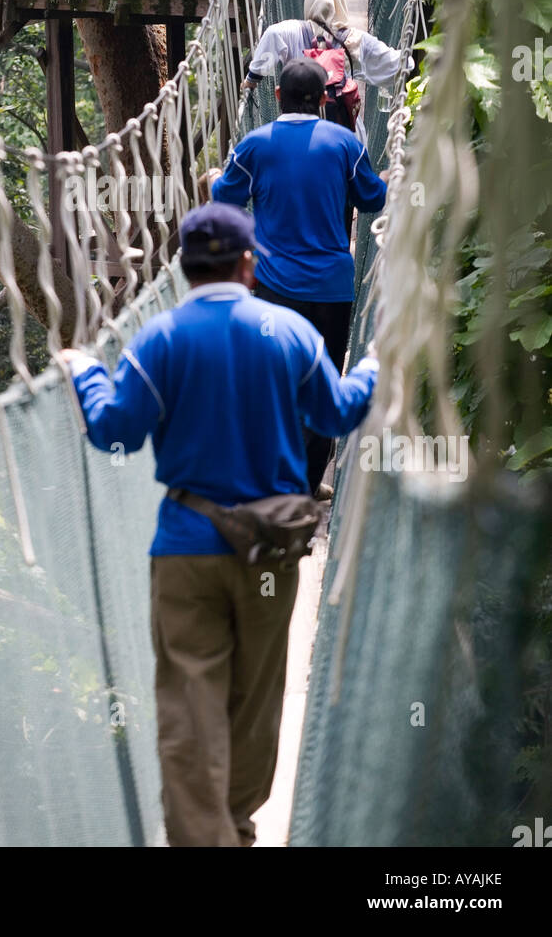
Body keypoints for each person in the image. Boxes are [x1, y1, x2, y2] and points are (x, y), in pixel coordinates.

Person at [59, 202, 379, 848]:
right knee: (256, 703)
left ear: (182, 267)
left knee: (190, 707)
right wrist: (375, 364)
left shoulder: (160, 338)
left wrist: (86, 372)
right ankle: (234, 826)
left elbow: (114, 433)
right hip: (270, 553)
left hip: (187, 549)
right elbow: (338, 415)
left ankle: (205, 839)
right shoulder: (288, 332)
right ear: (248, 264)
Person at [211, 59, 388, 498]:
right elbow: (372, 199)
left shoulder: (254, 146)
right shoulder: (345, 145)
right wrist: (388, 176)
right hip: (331, 289)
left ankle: (271, 483)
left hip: (273, 291)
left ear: (276, 97)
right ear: (325, 99)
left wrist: (216, 177)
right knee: (322, 382)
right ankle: (306, 490)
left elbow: (225, 199)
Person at [242, 0, 413, 139]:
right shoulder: (357, 39)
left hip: (299, 129)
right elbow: (400, 65)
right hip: (345, 130)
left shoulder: (289, 30)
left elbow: (271, 34)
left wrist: (252, 79)